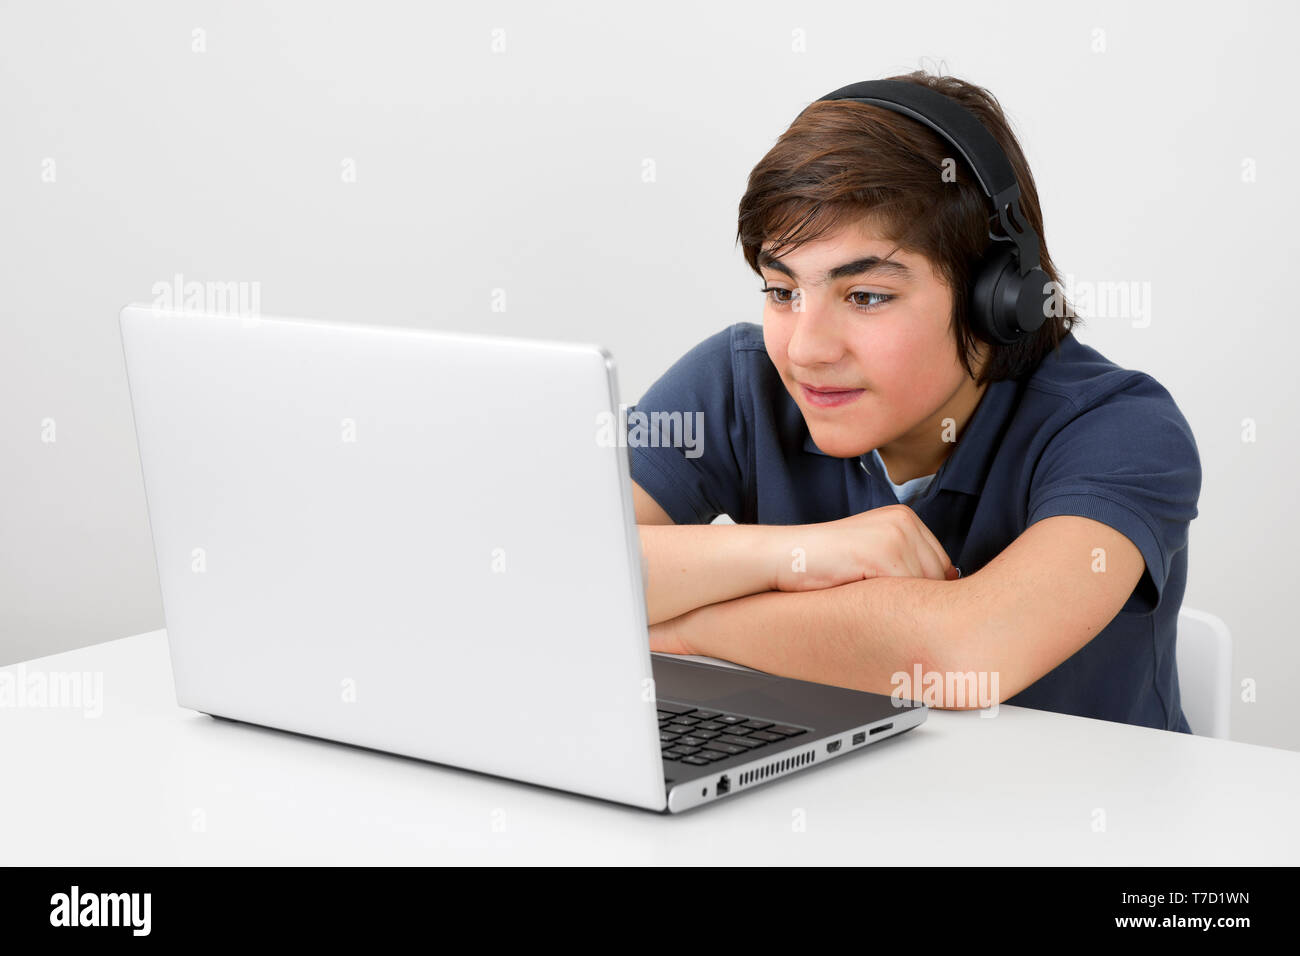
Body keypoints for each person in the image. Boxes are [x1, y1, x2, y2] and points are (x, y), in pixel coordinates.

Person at [628, 70, 1201, 732]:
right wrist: (803, 555)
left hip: (1083, 825)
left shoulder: (1122, 428)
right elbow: (555, 565)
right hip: (832, 812)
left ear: (997, 300)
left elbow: (965, 651)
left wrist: (687, 626)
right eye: (782, 291)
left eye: (866, 296)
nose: (807, 349)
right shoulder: (738, 383)